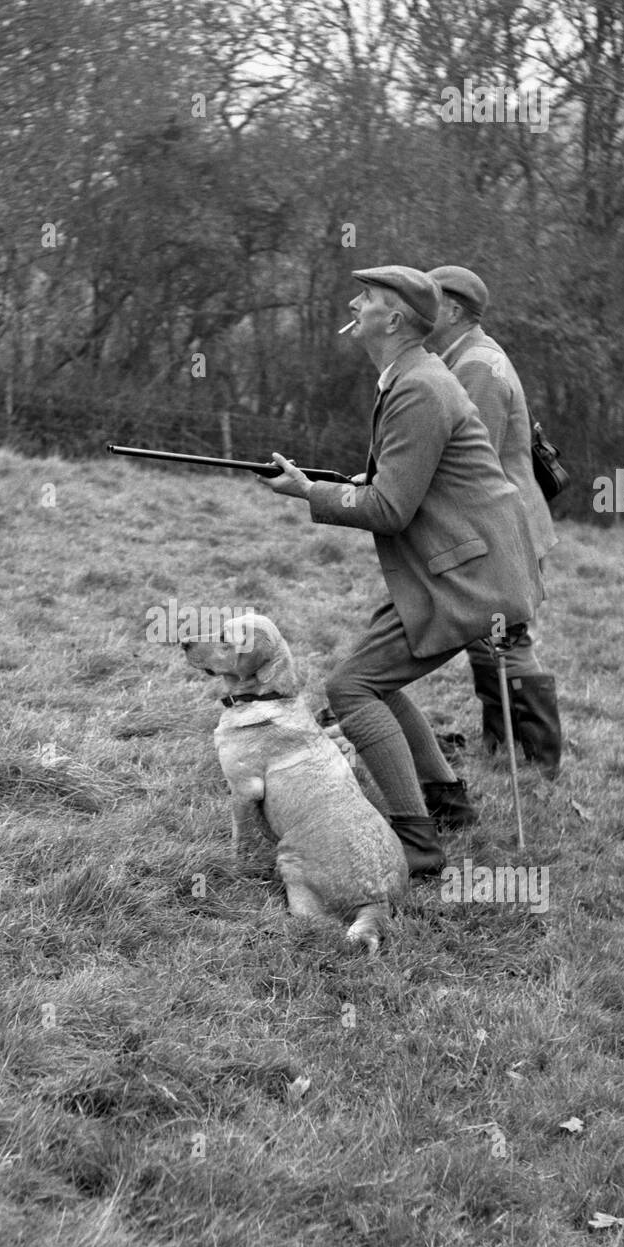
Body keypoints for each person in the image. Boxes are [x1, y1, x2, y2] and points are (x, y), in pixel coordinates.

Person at [259, 266, 541, 874]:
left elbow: (390, 509)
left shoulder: (417, 385)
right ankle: (445, 801)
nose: (354, 303)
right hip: (456, 563)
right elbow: (408, 481)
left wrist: (311, 496)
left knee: (351, 689)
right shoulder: (413, 376)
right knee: (370, 679)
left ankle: (416, 841)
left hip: (465, 576)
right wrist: (327, 484)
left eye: (367, 299)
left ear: (393, 320)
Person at [425, 266, 563, 777]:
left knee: (504, 642)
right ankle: (504, 747)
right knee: (492, 639)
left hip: (502, 528)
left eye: (430, 300)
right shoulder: (468, 356)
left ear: (454, 311)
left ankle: (537, 760)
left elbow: (469, 460)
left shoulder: (478, 366)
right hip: (502, 523)